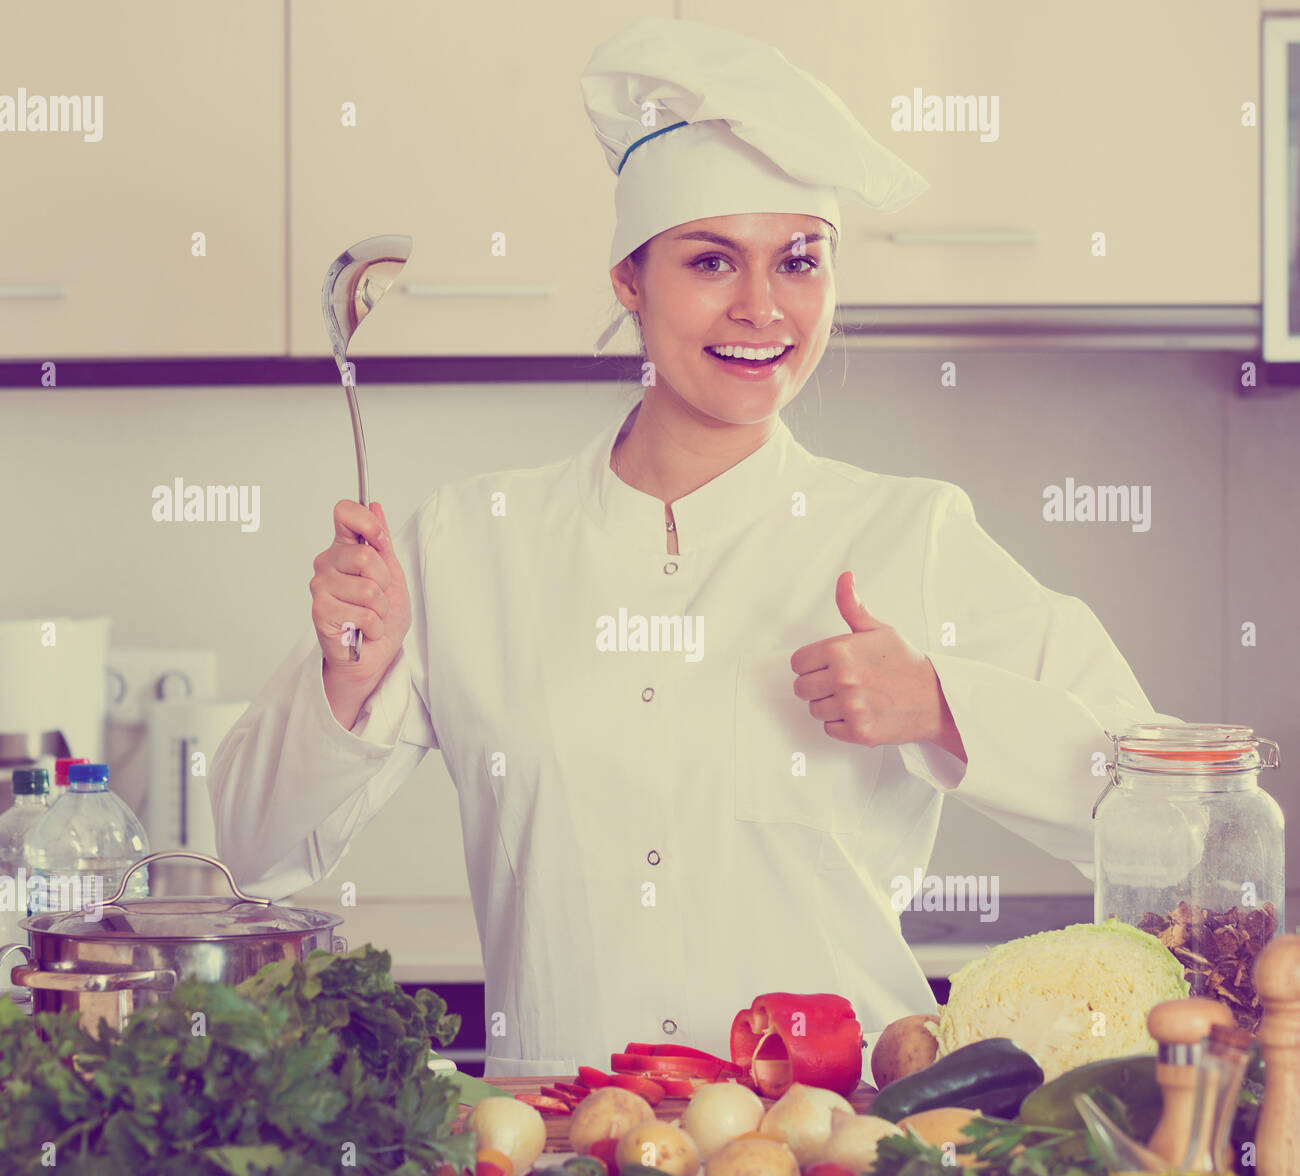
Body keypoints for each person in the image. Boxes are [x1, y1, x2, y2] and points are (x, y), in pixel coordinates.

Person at [209, 18, 1178, 1078]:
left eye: (798, 261)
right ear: (629, 279)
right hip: (568, 1158)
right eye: (711, 260)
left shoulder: (912, 533)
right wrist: (352, 675)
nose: (761, 307)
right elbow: (254, 844)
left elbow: (1164, 826)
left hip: (843, 1151)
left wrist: (945, 706)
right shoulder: (472, 540)